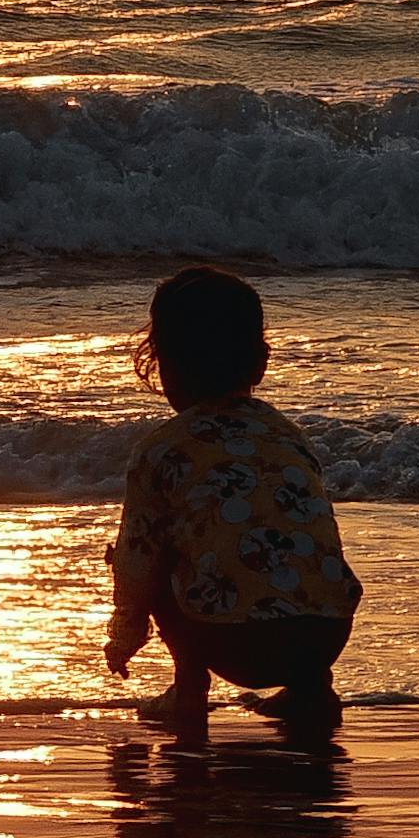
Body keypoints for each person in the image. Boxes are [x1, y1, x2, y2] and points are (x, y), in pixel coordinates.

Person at [104, 265, 358, 742]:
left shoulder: (161, 449)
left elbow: (137, 567)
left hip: (231, 640)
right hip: (325, 634)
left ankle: (188, 689)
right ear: (260, 362)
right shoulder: (288, 435)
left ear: (162, 364)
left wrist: (124, 636)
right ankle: (311, 689)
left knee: (145, 548)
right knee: (279, 531)